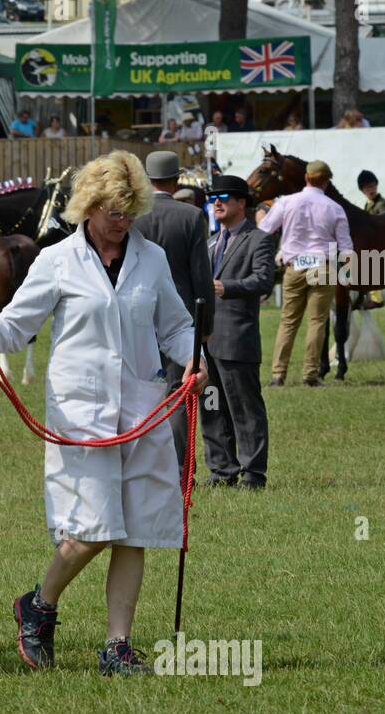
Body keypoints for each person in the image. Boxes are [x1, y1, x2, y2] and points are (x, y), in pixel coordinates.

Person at [0, 151, 207, 677]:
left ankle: (116, 647)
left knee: (135, 529)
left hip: (142, 408)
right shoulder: (56, 260)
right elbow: (14, 328)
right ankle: (40, 602)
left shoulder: (152, 259)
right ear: (88, 206)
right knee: (94, 527)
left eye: (129, 210)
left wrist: (194, 359)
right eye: (111, 211)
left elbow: (174, 326)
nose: (121, 222)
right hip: (81, 414)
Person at [134, 150, 214, 471]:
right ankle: (181, 468)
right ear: (176, 178)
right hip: (181, 316)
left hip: (138, 316)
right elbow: (201, 275)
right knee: (178, 394)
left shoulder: (131, 216)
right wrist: (205, 325)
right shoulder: (191, 217)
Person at [201, 175, 275, 490]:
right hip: (206, 340)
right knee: (211, 406)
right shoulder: (210, 241)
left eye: (225, 197)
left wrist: (226, 287)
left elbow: (263, 280)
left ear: (241, 203)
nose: (217, 202)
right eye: (213, 197)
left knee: (245, 408)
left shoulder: (258, 239)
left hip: (237, 337)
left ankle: (254, 473)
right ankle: (221, 470)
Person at [258, 159, 352, 388]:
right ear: (326, 182)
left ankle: (277, 375)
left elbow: (264, 230)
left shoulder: (286, 202)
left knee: (288, 321)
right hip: (323, 266)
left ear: (306, 178)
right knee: (317, 321)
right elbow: (346, 249)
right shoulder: (335, 208)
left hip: (294, 266)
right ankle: (310, 374)